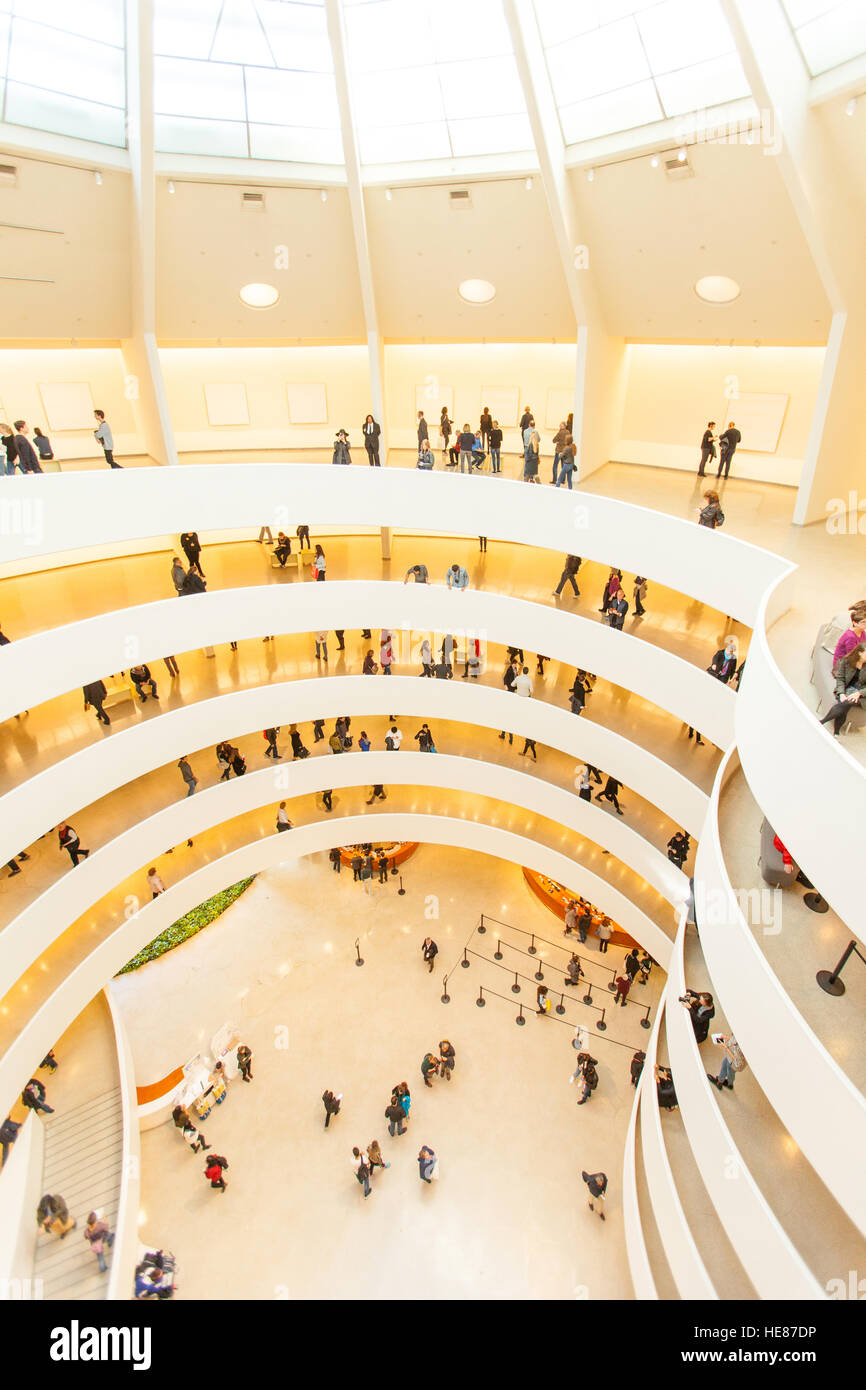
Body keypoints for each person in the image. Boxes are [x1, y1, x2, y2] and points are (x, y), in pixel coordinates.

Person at [820, 644, 866, 735]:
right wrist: (841, 693)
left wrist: (859, 693)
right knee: (844, 705)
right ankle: (836, 732)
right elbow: (840, 678)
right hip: (847, 688)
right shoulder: (846, 661)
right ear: (860, 653)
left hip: (862, 694)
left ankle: (822, 722)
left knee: (847, 702)